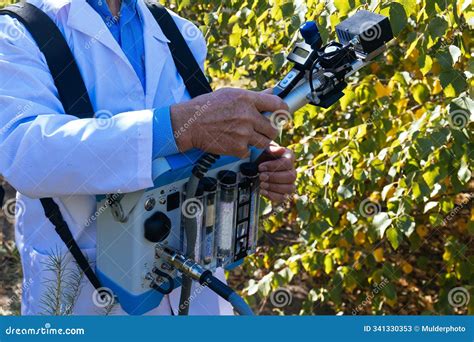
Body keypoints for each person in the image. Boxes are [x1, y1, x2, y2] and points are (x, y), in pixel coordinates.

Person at [0, 0, 297, 315]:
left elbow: (187, 155)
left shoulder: (177, 30)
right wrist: (180, 126)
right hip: (86, 295)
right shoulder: (18, 31)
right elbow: (25, 151)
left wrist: (248, 158)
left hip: (193, 283)